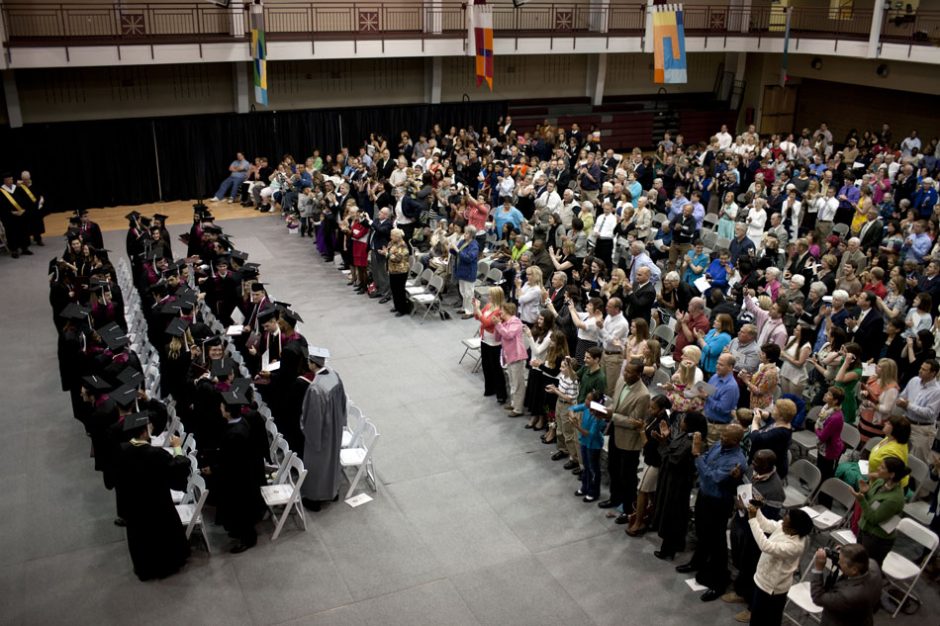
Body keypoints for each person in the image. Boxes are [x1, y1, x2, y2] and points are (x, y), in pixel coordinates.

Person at [114, 412, 191, 581]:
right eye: (148, 427)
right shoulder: (155, 454)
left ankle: (145, 569)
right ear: (143, 432)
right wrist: (177, 447)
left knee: (141, 539)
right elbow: (178, 468)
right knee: (161, 536)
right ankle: (166, 566)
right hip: (157, 504)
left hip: (135, 507)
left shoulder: (122, 450)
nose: (151, 428)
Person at [676, 423, 747, 602]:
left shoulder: (737, 460)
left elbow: (712, 476)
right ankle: (697, 562)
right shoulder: (719, 445)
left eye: (726, 438)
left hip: (719, 502)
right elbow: (707, 461)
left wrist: (697, 456)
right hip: (704, 495)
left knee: (717, 542)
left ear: (737, 441)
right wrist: (702, 459)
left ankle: (719, 582)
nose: (722, 439)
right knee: (701, 532)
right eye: (722, 435)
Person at [724, 449, 787, 620]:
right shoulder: (752, 471)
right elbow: (739, 489)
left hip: (756, 531)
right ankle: (740, 591)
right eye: (753, 460)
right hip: (741, 521)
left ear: (768, 465)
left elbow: (770, 519)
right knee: (741, 560)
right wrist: (736, 477)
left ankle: (752, 607)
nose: (752, 464)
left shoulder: (776, 490)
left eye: (757, 462)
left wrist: (748, 507)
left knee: (752, 566)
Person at [202, 390, 266, 553]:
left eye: (223, 406)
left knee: (241, 510)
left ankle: (247, 539)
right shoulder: (240, 423)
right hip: (241, 474)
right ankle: (240, 532)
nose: (220, 408)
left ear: (229, 411)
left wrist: (214, 469)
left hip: (238, 479)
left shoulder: (235, 434)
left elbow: (231, 462)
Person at [598, 360, 650, 523]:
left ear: (638, 374)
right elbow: (616, 404)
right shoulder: (621, 381)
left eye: (629, 372)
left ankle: (628, 509)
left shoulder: (643, 394)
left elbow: (634, 421)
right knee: (613, 468)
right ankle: (615, 498)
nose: (625, 374)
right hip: (615, 433)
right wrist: (605, 411)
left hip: (629, 441)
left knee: (627, 476)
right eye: (625, 370)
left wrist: (611, 416)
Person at [652, 411, 708, 560]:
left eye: (683, 420)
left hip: (677, 483)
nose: (681, 421)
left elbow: (673, 459)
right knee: (671, 512)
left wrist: (663, 443)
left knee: (672, 513)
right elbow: (672, 448)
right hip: (670, 479)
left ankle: (669, 549)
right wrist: (665, 438)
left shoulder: (691, 442)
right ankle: (673, 545)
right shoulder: (685, 435)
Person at [744, 505, 813, 626]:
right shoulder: (786, 526)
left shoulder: (795, 546)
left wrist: (752, 519)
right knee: (756, 618)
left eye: (786, 520)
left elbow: (765, 546)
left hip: (773, 589)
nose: (783, 521)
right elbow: (766, 524)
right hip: (763, 579)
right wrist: (756, 509)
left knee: (768, 621)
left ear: (794, 529)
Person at [299, 347, 346, 511]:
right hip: (335, 427)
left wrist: (311, 436)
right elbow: (342, 401)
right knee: (332, 460)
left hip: (321, 433)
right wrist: (340, 423)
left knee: (317, 464)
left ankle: (315, 498)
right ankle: (332, 492)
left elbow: (313, 418)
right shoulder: (334, 375)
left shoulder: (315, 389)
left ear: (312, 364)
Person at [626, 395, 673, 536]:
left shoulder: (663, 422)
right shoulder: (654, 417)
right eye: (650, 406)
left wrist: (641, 430)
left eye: (653, 408)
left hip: (655, 462)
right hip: (649, 459)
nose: (649, 409)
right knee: (652, 493)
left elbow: (649, 446)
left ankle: (638, 523)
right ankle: (653, 517)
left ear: (662, 409)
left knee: (642, 491)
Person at [854, 455, 909, 565]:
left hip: (876, 539)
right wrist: (864, 492)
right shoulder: (880, 482)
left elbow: (874, 518)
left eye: (882, 467)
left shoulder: (895, 499)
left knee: (864, 567)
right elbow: (870, 502)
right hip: (865, 529)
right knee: (855, 561)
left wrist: (861, 499)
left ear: (892, 474)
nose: (878, 468)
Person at [809, 544, 882, 626]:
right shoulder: (873, 565)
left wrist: (818, 569)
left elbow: (818, 598)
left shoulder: (848, 596)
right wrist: (845, 553)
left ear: (854, 570)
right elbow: (856, 560)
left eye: (841, 561)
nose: (839, 562)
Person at [897, 359, 940, 463]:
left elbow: (930, 413)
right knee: (897, 454)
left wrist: (909, 405)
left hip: (922, 429)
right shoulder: (914, 381)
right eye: (921, 368)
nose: (920, 370)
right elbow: (903, 396)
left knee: (916, 461)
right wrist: (901, 402)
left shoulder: (937, 391)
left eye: (924, 370)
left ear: (933, 373)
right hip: (905, 422)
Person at [568, 391, 606, 502]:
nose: (586, 401)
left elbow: (591, 434)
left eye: (589, 400)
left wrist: (576, 426)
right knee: (586, 466)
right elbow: (572, 408)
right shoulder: (585, 407)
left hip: (594, 445)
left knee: (593, 469)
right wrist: (572, 416)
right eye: (586, 399)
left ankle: (594, 492)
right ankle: (585, 487)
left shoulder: (598, 416)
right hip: (584, 442)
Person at [474, 287, 507, 405]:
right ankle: (489, 388)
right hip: (485, 340)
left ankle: (501, 394)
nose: (488, 297)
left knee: (496, 369)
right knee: (486, 366)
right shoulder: (488, 306)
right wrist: (475, 308)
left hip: (495, 343)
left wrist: (478, 310)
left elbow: (487, 323)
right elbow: (478, 317)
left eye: (491, 295)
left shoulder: (500, 310)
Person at [748, 398, 796, 479]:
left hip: (768, 469)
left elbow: (756, 439)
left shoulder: (781, 433)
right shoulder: (781, 421)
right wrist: (762, 413)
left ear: (781, 416)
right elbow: (771, 419)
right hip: (762, 462)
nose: (772, 409)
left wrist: (755, 422)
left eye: (775, 409)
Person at [494, 302, 527, 417]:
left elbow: (508, 335)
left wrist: (499, 325)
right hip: (509, 355)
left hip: (517, 356)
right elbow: (498, 337)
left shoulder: (516, 322)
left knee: (518, 383)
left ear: (508, 311)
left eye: (502, 310)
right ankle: (514, 403)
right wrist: (497, 325)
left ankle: (518, 409)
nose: (500, 312)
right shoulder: (505, 323)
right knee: (512, 381)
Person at [858, 358, 900, 443]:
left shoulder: (892, 388)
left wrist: (871, 404)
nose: (876, 367)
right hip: (865, 416)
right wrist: (864, 394)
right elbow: (866, 391)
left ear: (886, 371)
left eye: (879, 367)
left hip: (876, 422)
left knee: (867, 445)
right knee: (858, 440)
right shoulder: (874, 378)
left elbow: (886, 409)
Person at [703, 353, 741, 445]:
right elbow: (709, 391)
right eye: (717, 363)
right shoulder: (715, 376)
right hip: (706, 420)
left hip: (716, 427)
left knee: (710, 453)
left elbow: (724, 409)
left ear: (730, 367)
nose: (717, 366)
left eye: (721, 365)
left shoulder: (731, 387)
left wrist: (707, 397)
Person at [815, 387, 846, 487]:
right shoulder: (826, 408)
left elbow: (823, 437)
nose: (825, 394)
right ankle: (816, 494)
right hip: (822, 447)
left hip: (829, 451)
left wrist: (816, 428)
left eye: (829, 394)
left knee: (826, 478)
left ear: (835, 400)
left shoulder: (835, 417)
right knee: (820, 472)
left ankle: (824, 501)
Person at [452, 225, 480, 319]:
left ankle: (470, 311)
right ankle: (464, 307)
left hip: (469, 271)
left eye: (467, 233)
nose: (464, 234)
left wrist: (457, 250)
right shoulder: (463, 242)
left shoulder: (474, 245)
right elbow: (455, 252)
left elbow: (468, 258)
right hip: (461, 270)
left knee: (469, 293)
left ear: (471, 235)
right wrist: (451, 247)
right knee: (463, 291)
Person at [386, 228, 411, 317]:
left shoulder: (402, 245)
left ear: (397, 236)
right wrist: (385, 252)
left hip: (401, 271)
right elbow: (388, 251)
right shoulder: (392, 243)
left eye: (392, 235)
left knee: (399, 290)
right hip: (392, 270)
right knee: (394, 289)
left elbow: (398, 258)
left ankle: (403, 309)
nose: (390, 237)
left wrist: (387, 254)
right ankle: (397, 306)